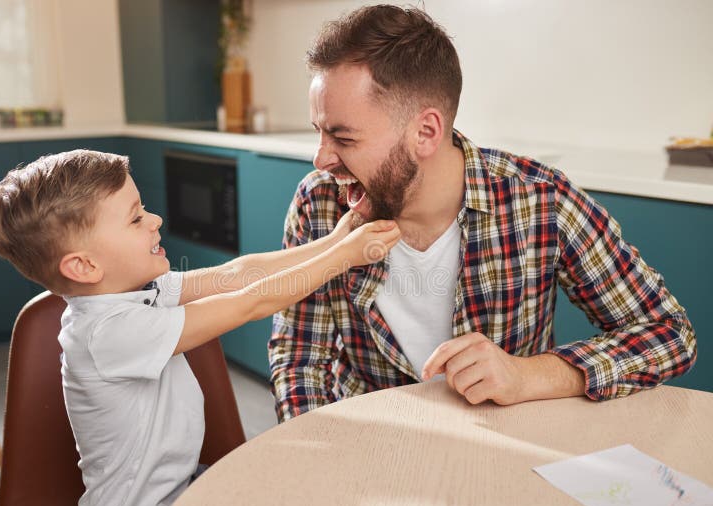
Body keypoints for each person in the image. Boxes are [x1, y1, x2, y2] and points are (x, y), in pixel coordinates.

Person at [268, 4, 696, 422]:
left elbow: (668, 333)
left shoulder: (540, 201)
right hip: (369, 447)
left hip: (507, 450)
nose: (320, 158)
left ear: (426, 132)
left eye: (343, 137)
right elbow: (301, 362)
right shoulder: (319, 203)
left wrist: (529, 375)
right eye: (319, 132)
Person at [0, 149, 400, 506]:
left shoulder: (135, 290)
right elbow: (248, 303)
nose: (155, 220)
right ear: (85, 265)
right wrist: (346, 256)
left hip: (183, 489)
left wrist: (333, 241)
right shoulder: (106, 333)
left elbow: (237, 275)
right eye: (135, 218)